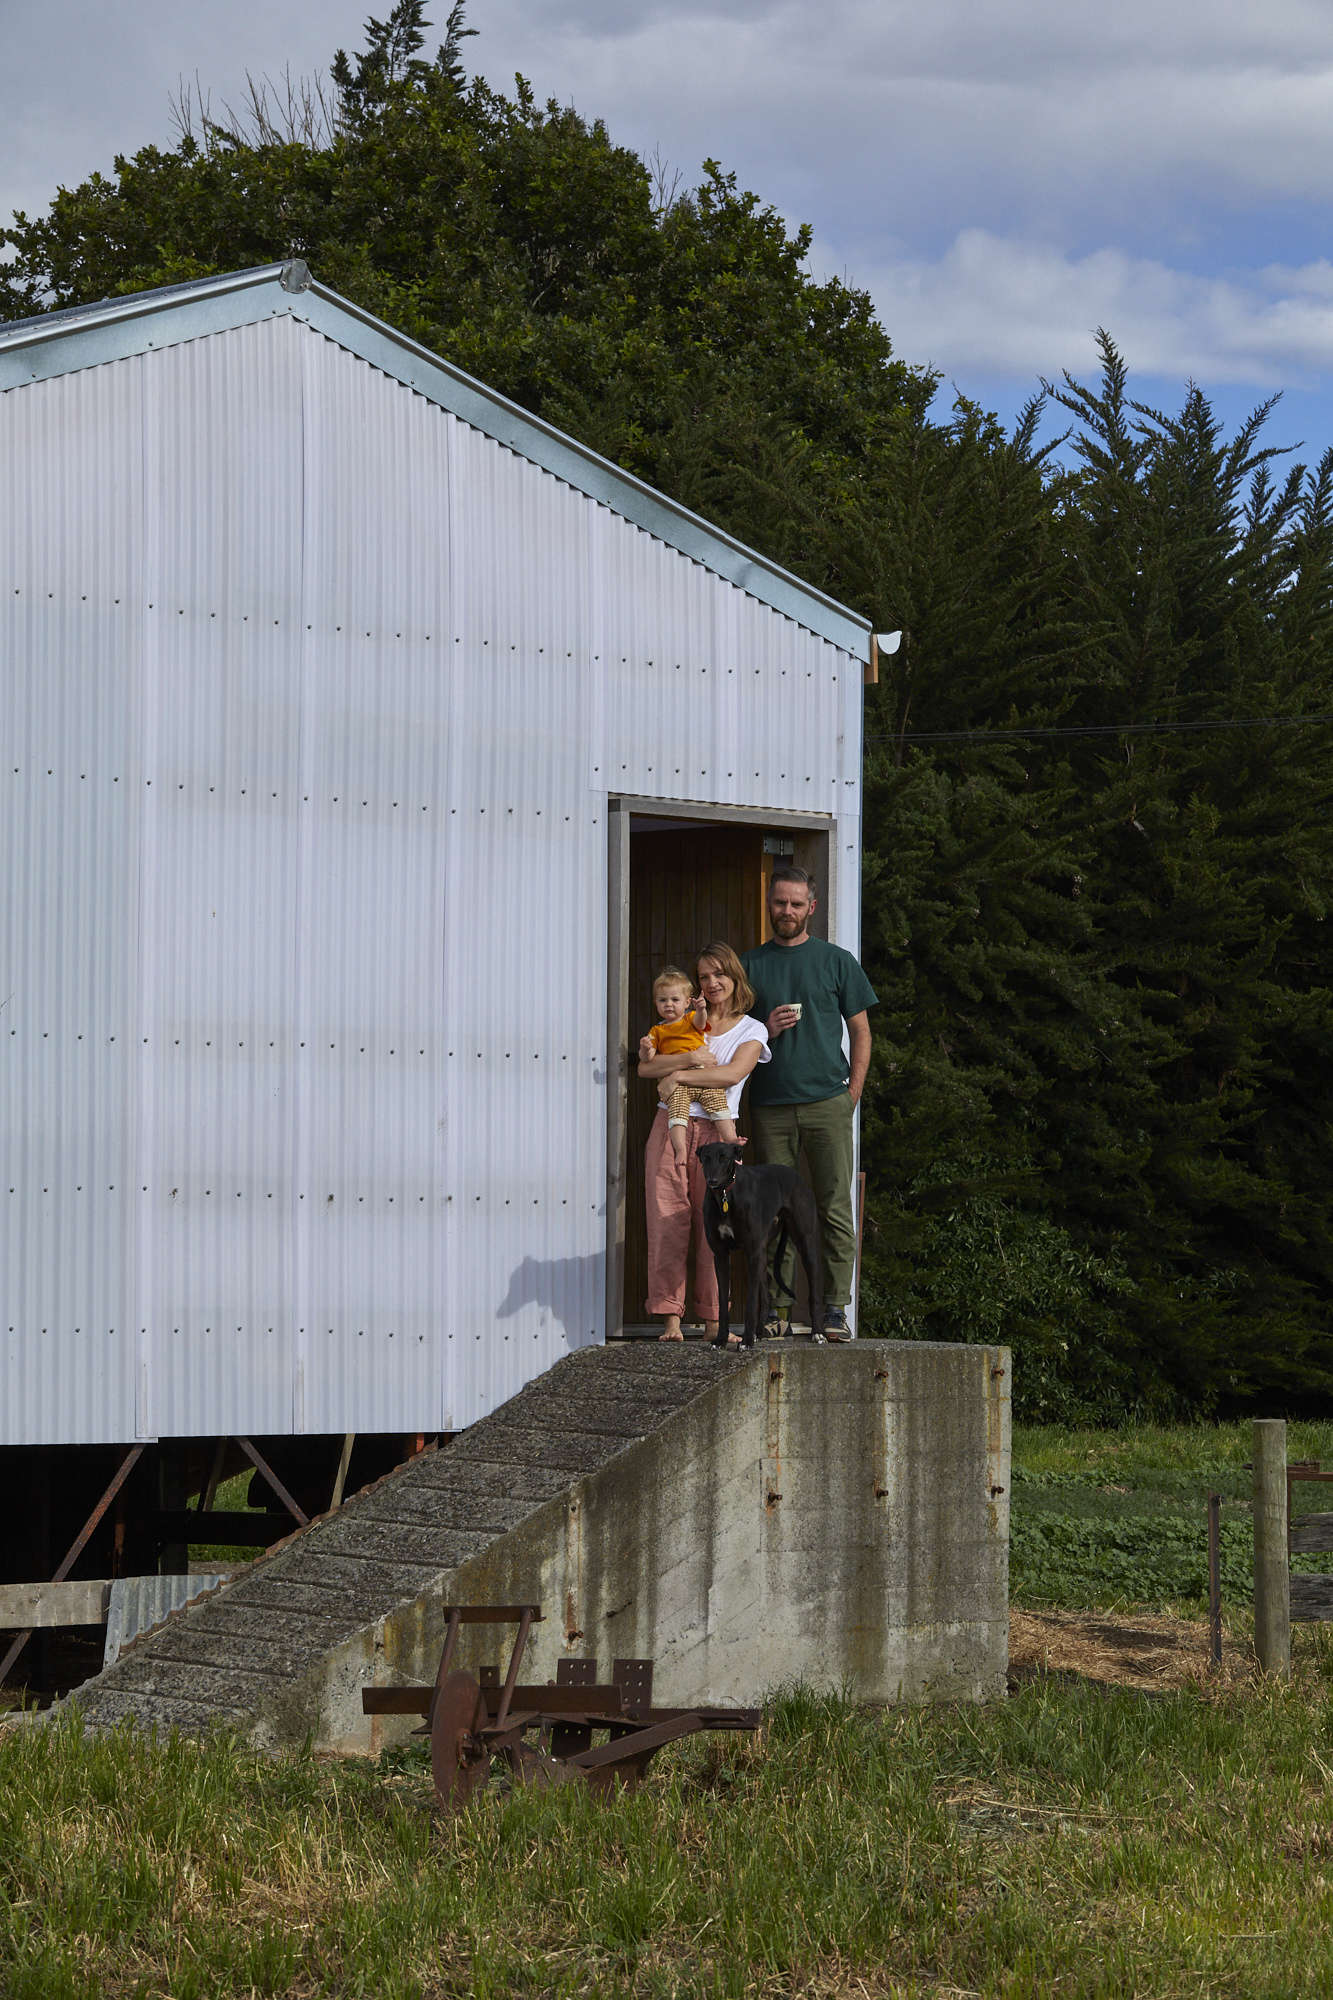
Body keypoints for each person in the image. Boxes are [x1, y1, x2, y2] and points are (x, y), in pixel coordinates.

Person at [741, 866, 876, 1341]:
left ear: (811, 908)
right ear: (770, 904)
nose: (788, 911)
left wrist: (851, 1096)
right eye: (780, 902)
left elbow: (861, 1031)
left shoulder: (837, 962)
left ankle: (835, 1309)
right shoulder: (750, 966)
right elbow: (728, 1031)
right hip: (771, 1104)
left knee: (835, 1206)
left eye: (797, 904)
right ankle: (776, 1309)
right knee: (771, 1211)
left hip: (828, 1102)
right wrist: (767, 1030)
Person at [636, 942, 770, 1343]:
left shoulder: (753, 1028)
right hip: (671, 1124)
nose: (711, 983)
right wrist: (683, 1064)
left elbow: (731, 1075)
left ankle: (715, 1321)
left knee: (715, 1224)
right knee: (666, 1222)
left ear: (734, 977)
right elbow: (646, 1067)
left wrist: (675, 1077)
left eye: (719, 974)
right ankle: (670, 1320)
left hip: (717, 1131)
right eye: (704, 976)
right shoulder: (681, 1018)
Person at [639, 966, 738, 1164]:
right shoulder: (657, 1030)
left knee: (718, 1103)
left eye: (675, 1000)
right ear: (655, 1003)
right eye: (662, 1000)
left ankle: (732, 1140)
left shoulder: (690, 1018)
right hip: (677, 1082)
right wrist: (645, 1049)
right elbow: (647, 1059)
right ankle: (680, 1150)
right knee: (677, 1113)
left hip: (700, 1074)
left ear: (686, 1003)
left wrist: (701, 1009)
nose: (668, 1004)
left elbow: (702, 1024)